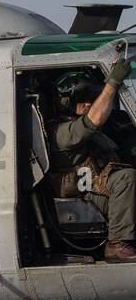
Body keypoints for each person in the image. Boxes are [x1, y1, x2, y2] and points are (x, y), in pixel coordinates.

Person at [47, 61, 136, 262]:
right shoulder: (63, 133)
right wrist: (112, 82)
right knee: (126, 179)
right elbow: (94, 120)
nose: (89, 103)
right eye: (82, 99)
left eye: (91, 98)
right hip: (86, 196)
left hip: (100, 190)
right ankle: (116, 244)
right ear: (66, 101)